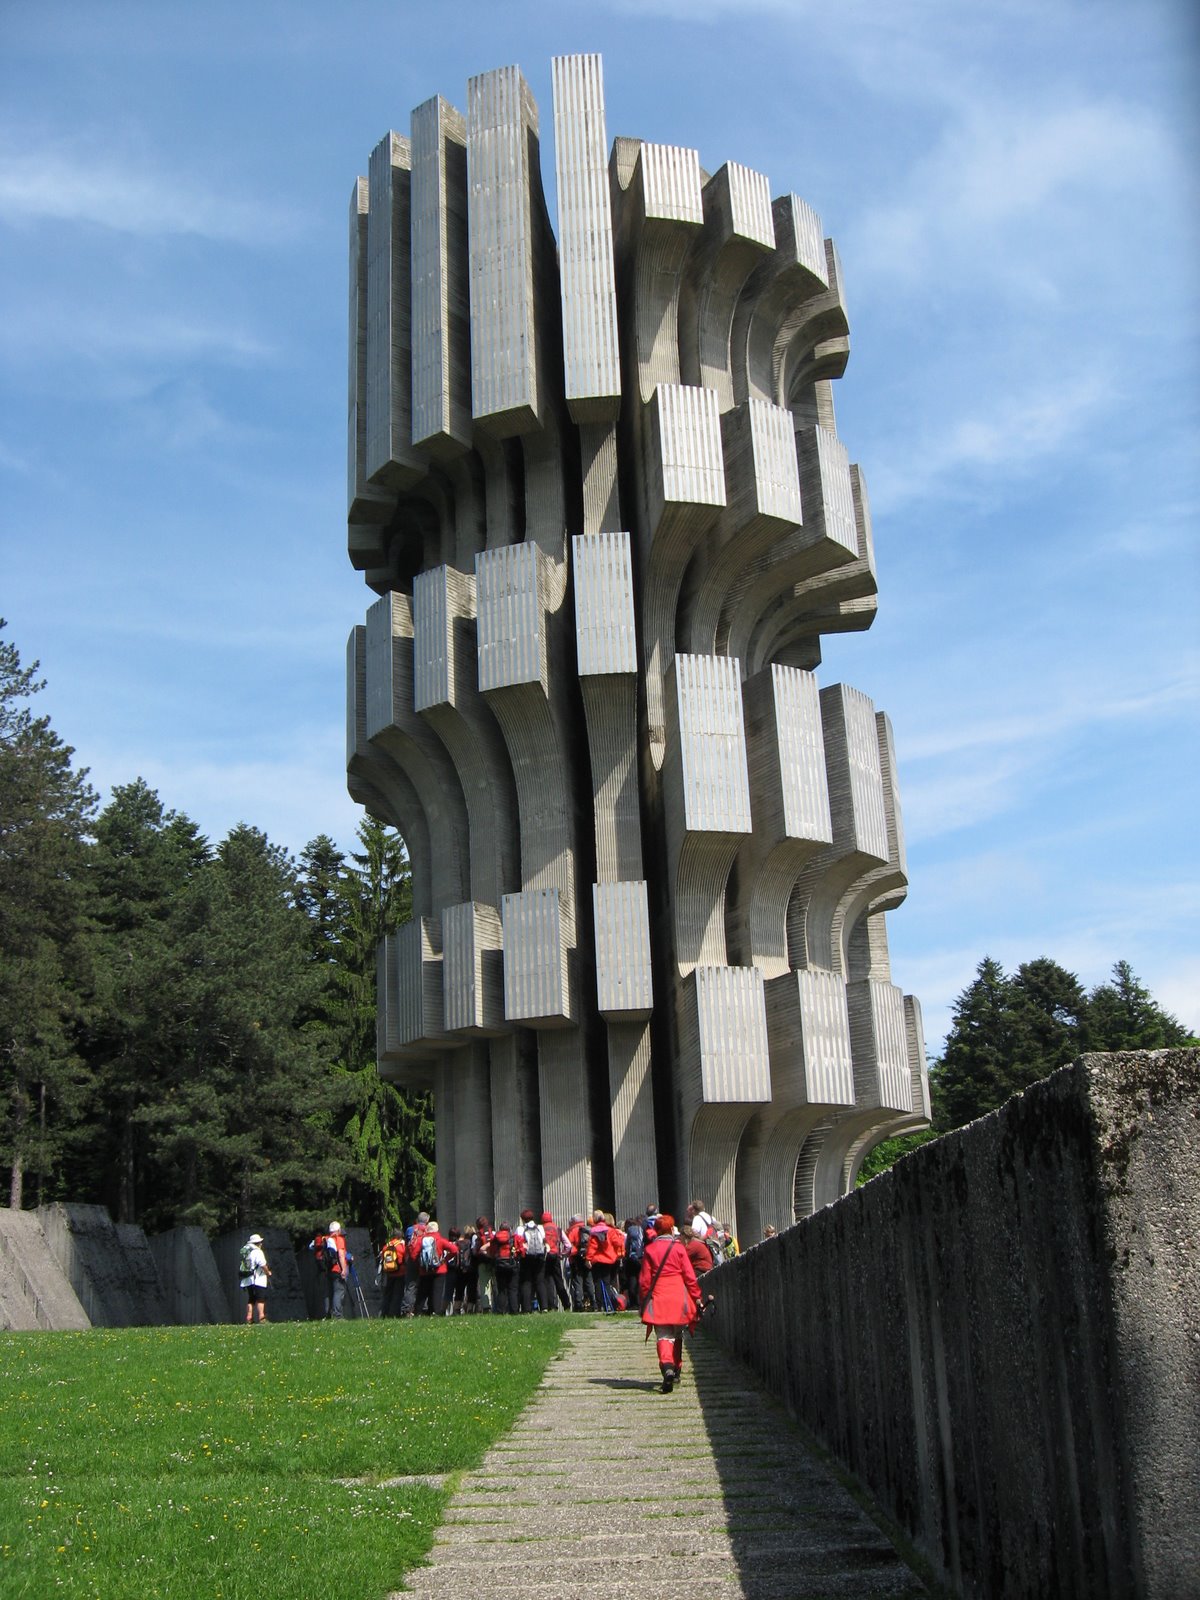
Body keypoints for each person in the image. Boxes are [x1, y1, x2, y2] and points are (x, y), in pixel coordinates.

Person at [638, 1213, 701, 1393]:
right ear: (672, 1229)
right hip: (679, 1297)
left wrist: (643, 1302)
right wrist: (696, 1295)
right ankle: (677, 1369)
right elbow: (689, 1276)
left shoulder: (650, 1250)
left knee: (664, 1335)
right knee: (678, 1333)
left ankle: (667, 1368)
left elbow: (644, 1282)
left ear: (656, 1230)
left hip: (659, 1297)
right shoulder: (679, 1248)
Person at [310, 1221, 352, 1319]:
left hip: (327, 1269)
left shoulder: (325, 1239)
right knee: (339, 1291)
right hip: (337, 1269)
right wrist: (344, 1269)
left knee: (329, 1293)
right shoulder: (339, 1239)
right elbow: (341, 1255)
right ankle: (337, 1315)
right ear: (338, 1230)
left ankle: (328, 1315)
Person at [412, 1219, 454, 1316]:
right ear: (437, 1230)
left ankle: (417, 1311)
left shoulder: (421, 1240)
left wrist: (421, 1263)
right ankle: (435, 1311)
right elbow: (454, 1250)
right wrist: (445, 1259)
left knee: (422, 1292)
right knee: (437, 1292)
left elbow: (414, 1254)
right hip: (439, 1269)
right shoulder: (441, 1240)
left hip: (424, 1270)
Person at [401, 1211, 431, 1316]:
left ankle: (407, 1309)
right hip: (424, 1261)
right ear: (427, 1221)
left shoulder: (410, 1229)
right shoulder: (428, 1229)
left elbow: (407, 1244)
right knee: (424, 1284)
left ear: (417, 1220)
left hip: (411, 1260)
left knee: (410, 1285)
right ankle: (423, 1308)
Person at [487, 1219, 521, 1314]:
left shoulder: (495, 1238)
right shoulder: (514, 1237)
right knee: (513, 1289)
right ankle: (514, 1310)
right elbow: (520, 1250)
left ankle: (501, 1310)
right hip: (512, 1265)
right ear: (509, 1229)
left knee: (501, 1289)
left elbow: (492, 1252)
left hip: (499, 1265)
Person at [516, 1209, 546, 1312]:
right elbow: (544, 1241)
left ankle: (526, 1308)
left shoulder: (520, 1229)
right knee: (540, 1282)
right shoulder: (540, 1227)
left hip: (527, 1258)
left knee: (526, 1282)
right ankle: (544, 1307)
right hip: (540, 1257)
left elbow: (518, 1242)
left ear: (523, 1219)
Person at [539, 1211, 571, 1311]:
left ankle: (551, 1306)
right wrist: (562, 1254)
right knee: (559, 1280)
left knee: (547, 1281)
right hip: (555, 1256)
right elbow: (568, 1245)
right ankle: (566, 1304)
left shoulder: (541, 1229)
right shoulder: (558, 1229)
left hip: (544, 1257)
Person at [239, 1232, 270, 1323]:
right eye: (260, 1242)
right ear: (257, 1243)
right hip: (258, 1279)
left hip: (247, 1279)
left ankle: (249, 1317)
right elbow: (263, 1265)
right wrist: (268, 1273)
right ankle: (261, 1317)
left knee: (251, 1298)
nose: (261, 1244)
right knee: (261, 1298)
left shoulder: (246, 1251)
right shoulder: (258, 1252)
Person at [379, 1227, 407, 1318]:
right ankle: (394, 1313)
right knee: (397, 1294)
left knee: (388, 1294)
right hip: (400, 1272)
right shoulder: (401, 1246)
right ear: (400, 1236)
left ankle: (385, 1313)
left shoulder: (386, 1246)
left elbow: (383, 1257)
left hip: (389, 1273)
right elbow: (405, 1258)